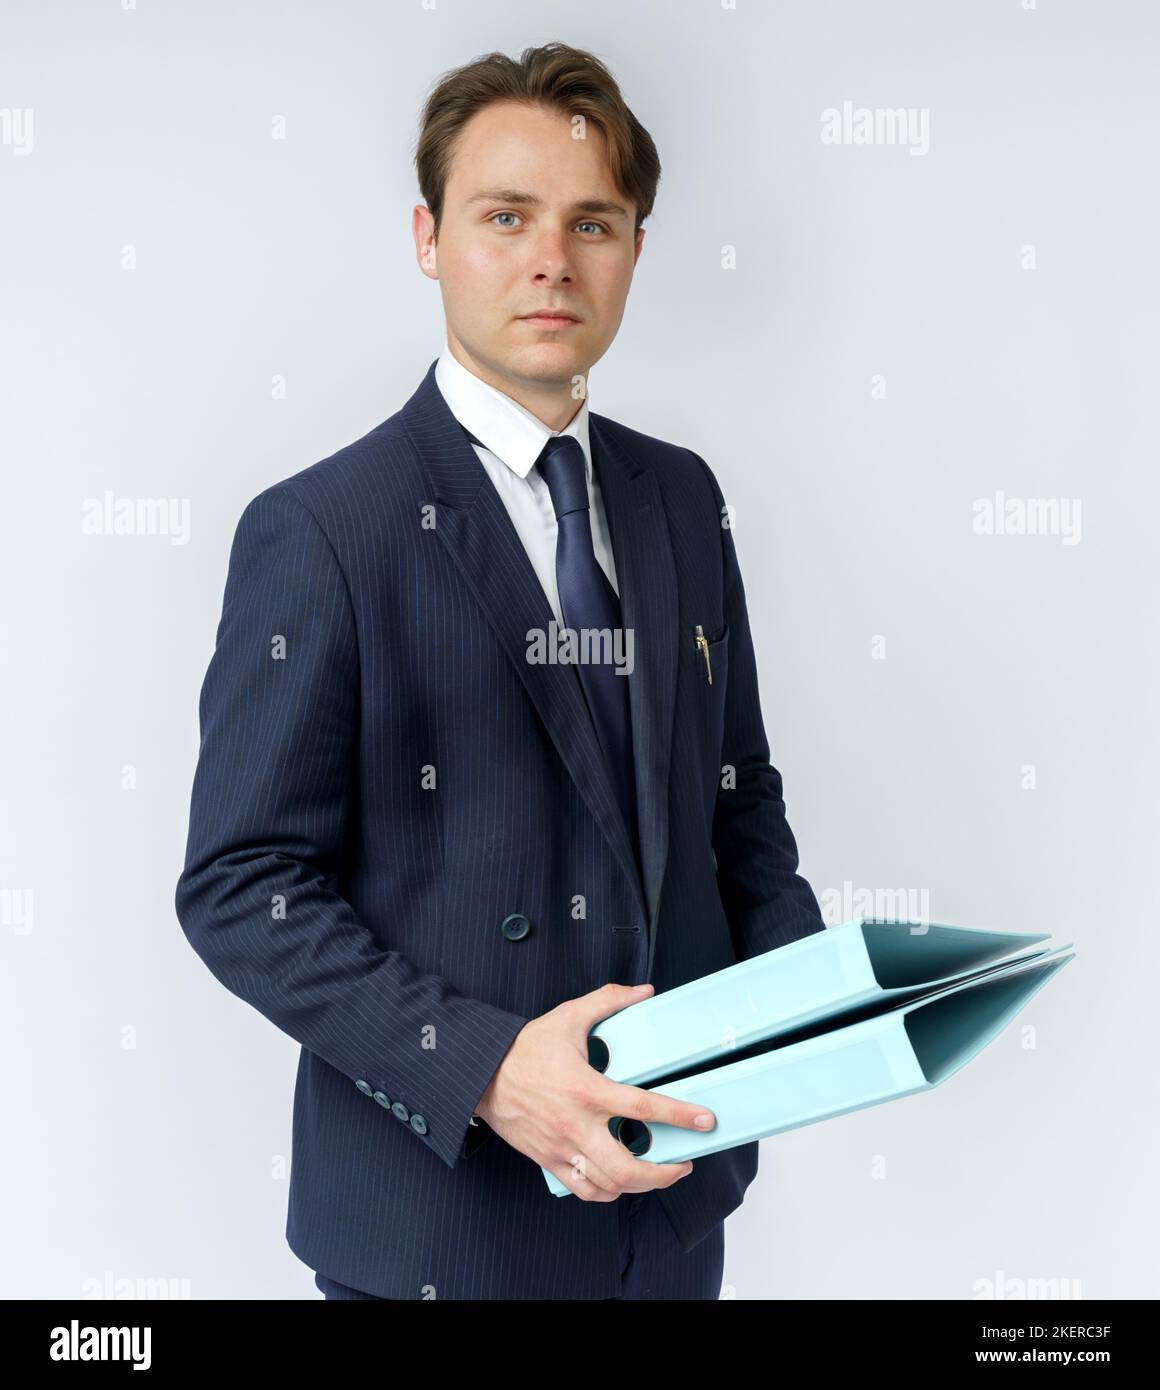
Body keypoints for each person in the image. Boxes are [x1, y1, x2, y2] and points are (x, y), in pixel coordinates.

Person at [175, 41, 825, 1302]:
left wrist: (796, 1017)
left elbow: (737, 797)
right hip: (441, 1233)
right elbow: (241, 884)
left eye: (592, 221)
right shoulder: (324, 528)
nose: (550, 258)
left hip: (673, 1213)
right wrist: (482, 1066)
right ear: (427, 238)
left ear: (635, 245)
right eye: (504, 216)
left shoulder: (680, 497)